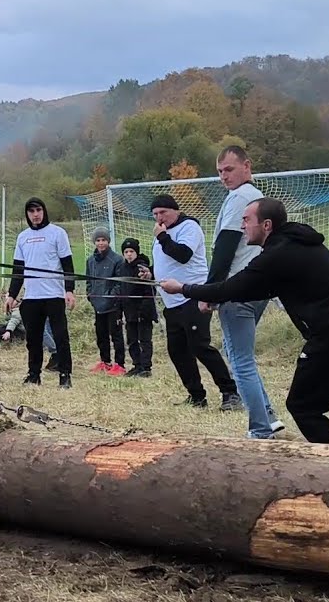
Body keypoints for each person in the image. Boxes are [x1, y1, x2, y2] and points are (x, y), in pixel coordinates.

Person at [161, 198, 329, 453]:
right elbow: (252, 289)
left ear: (266, 225)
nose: (242, 225)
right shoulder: (298, 244)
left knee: (302, 406)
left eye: (246, 219)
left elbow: (232, 286)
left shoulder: (279, 254)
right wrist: (210, 295)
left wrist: (183, 288)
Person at [209, 146, 284, 438]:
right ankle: (267, 414)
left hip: (238, 288)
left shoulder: (241, 197)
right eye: (219, 172)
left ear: (246, 166)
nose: (223, 176)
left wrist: (210, 292)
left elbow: (225, 246)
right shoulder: (257, 199)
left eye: (228, 169)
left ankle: (260, 428)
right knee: (236, 352)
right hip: (258, 287)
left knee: (240, 361)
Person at [148, 195, 240, 409]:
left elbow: (183, 255)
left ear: (175, 210)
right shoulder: (161, 233)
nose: (159, 218)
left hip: (192, 296)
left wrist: (162, 237)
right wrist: (150, 272)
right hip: (171, 303)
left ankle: (230, 392)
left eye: (163, 212)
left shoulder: (189, 227)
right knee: (177, 350)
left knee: (200, 346)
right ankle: (196, 395)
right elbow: (165, 261)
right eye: (155, 214)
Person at [4, 197, 76, 388]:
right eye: (31, 211)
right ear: (27, 214)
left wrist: (69, 290)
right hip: (31, 298)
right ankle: (34, 375)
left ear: (44, 211)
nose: (35, 215)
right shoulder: (22, 237)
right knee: (33, 340)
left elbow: (68, 264)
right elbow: (18, 269)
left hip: (54, 296)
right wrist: (11, 294)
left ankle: (65, 375)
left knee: (61, 337)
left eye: (38, 210)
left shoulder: (58, 233)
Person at [86, 227, 127, 376]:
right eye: (98, 240)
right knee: (101, 334)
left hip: (113, 305)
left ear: (108, 241)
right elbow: (88, 280)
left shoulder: (117, 260)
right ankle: (105, 361)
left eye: (103, 240)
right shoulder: (90, 261)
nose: (101, 243)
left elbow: (119, 284)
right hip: (98, 304)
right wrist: (90, 295)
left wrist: (111, 297)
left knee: (115, 334)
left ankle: (120, 364)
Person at [118, 238, 156, 377]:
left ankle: (146, 367)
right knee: (132, 339)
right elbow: (122, 290)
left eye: (131, 251)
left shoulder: (142, 268)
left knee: (144, 339)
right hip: (129, 312)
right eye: (126, 252)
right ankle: (137, 365)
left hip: (143, 311)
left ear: (137, 252)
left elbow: (148, 291)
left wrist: (143, 310)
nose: (129, 254)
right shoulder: (122, 268)